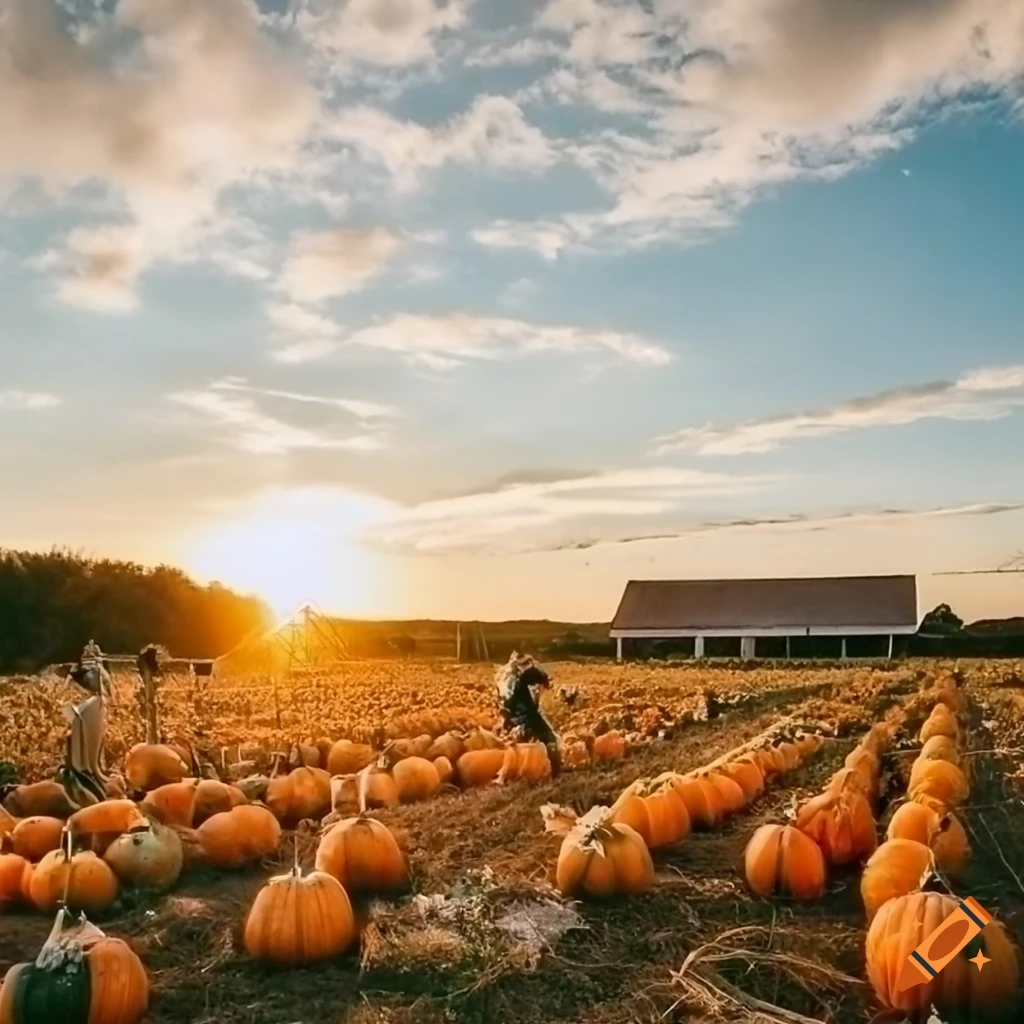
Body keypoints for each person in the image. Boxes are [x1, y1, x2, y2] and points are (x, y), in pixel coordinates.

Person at [495, 651, 562, 776]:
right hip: (526, 716)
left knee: (509, 745)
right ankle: (554, 772)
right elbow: (540, 687)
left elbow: (502, 700)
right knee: (550, 739)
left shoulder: (502, 674)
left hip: (509, 716)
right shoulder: (527, 674)